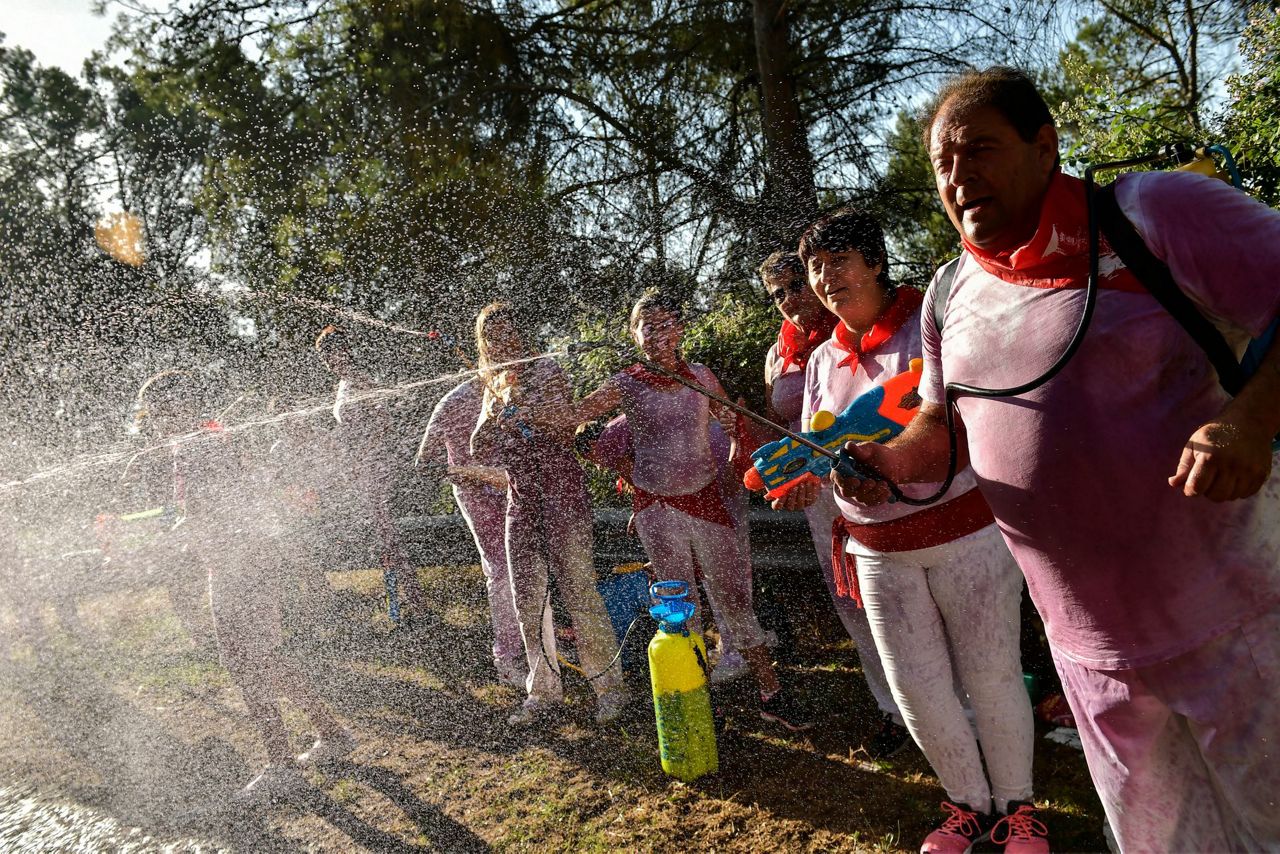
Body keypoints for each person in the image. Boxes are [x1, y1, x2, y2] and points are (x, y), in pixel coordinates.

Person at [840, 67, 1280, 852]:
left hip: (1238, 622)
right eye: (943, 161)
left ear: (1046, 146)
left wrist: (1247, 423)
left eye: (981, 149)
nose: (958, 174)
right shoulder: (949, 295)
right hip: (1090, 658)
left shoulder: (1153, 214)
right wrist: (889, 459)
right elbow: (941, 429)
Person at [774, 210, 1041, 852]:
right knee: (915, 687)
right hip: (877, 550)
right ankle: (967, 805)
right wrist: (821, 479)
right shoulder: (821, 359)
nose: (826, 276)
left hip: (963, 534)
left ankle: (1020, 811)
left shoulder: (934, 323)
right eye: (816, 267)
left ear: (874, 262)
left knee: (991, 673)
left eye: (839, 260)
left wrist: (886, 464)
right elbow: (823, 442)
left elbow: (964, 421)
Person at [540, 290, 809, 731]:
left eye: (667, 323)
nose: (658, 333)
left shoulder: (701, 375)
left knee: (734, 599)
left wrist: (736, 449)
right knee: (682, 607)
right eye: (648, 324)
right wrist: (539, 407)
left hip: (705, 500)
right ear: (634, 333)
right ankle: (700, 702)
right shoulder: (624, 381)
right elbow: (573, 420)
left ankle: (771, 692)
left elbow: (732, 420)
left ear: (681, 330)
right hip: (656, 508)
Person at [143, 370, 355, 804]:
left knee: (244, 661)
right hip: (242, 558)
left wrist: (178, 538)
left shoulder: (197, 445)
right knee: (262, 657)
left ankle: (282, 764)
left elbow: (217, 508)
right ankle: (332, 733)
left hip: (238, 563)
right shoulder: (202, 439)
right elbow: (224, 503)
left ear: (176, 407)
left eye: (159, 413)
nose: (155, 423)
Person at [758, 250, 909, 757]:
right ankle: (891, 708)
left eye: (796, 285)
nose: (790, 300)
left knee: (900, 595)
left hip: (877, 480)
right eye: (777, 294)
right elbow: (789, 428)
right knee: (851, 600)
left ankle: (944, 704)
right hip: (817, 496)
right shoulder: (776, 355)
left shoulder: (852, 332)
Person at [469, 303, 627, 726]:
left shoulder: (547, 370)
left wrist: (525, 411)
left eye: (506, 333)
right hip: (520, 501)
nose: (501, 343)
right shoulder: (492, 385)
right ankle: (543, 692)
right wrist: (489, 418)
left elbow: (564, 425)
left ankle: (610, 691)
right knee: (528, 600)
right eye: (492, 338)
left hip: (562, 495)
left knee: (579, 593)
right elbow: (478, 448)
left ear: (521, 334)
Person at [416, 377, 526, 688]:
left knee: (531, 563)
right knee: (502, 571)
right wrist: (464, 472)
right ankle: (508, 657)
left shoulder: (516, 389)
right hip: (476, 494)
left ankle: (540, 644)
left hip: (517, 485)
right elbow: (424, 462)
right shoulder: (453, 402)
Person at [315, 325, 429, 623]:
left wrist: (364, 455)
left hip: (376, 467)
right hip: (361, 469)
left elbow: (384, 422)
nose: (330, 359)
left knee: (387, 536)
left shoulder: (362, 380)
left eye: (334, 351)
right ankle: (402, 605)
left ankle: (415, 605)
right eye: (325, 355)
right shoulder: (342, 384)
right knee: (383, 538)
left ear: (347, 349)